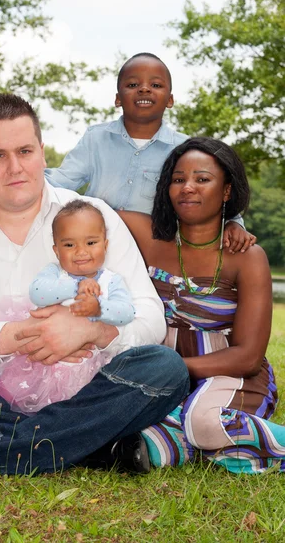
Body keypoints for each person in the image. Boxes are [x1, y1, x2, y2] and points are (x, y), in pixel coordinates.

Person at [0, 93, 190, 475]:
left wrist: (89, 331)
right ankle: (88, 446)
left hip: (85, 381)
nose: (15, 167)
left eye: (25, 151)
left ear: (43, 153)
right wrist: (9, 336)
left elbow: (149, 317)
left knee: (166, 369)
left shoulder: (95, 218)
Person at [0, 53, 255, 254]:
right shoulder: (96, 139)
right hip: (98, 248)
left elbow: (208, 195)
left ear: (170, 99)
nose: (143, 89)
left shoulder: (185, 149)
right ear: (117, 97)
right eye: (132, 84)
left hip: (158, 254)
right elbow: (58, 179)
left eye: (155, 85)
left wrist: (234, 222)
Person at [119, 137, 285, 474]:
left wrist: (172, 368)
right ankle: (180, 442)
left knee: (203, 419)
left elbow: (248, 356)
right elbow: (75, 207)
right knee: (126, 428)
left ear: (226, 191)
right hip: (163, 378)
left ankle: (189, 431)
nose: (187, 188)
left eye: (202, 179)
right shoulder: (144, 235)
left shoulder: (247, 258)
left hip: (230, 373)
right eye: (178, 179)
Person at [0, 199, 136, 414]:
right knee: (23, 406)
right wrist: (76, 287)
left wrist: (99, 309)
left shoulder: (112, 281)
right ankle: (24, 429)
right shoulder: (56, 273)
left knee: (84, 408)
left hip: (87, 366)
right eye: (69, 245)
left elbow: (126, 312)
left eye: (91, 243)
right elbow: (37, 292)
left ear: (105, 244)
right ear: (56, 251)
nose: (81, 252)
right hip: (44, 366)